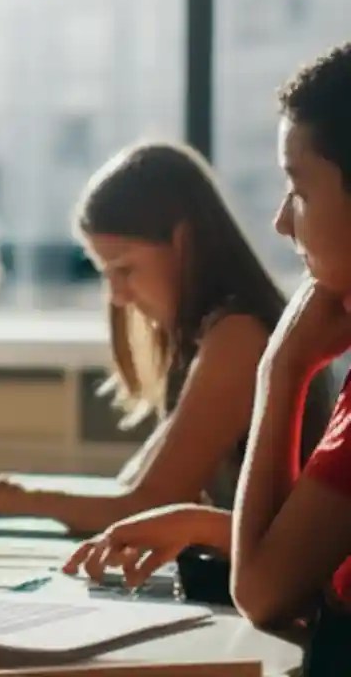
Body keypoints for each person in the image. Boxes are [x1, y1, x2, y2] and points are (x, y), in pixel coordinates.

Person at [65, 44, 351, 650]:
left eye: (298, 189)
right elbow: (317, 562)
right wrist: (205, 525)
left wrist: (282, 369)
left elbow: (263, 592)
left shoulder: (245, 336)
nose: (280, 221)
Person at [0, 142, 330, 535]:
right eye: (106, 274)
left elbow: (150, 504)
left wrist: (18, 500)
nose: (117, 296)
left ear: (182, 241)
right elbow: (135, 486)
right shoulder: (210, 336)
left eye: (125, 269)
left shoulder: (238, 336)